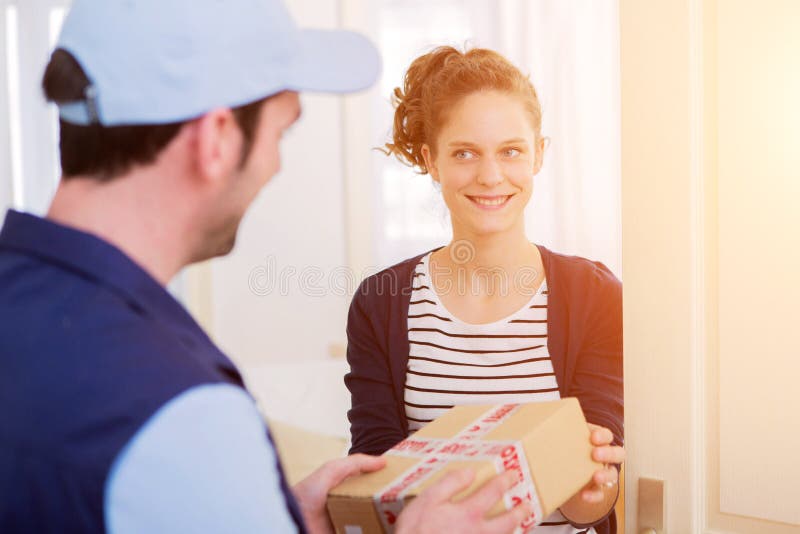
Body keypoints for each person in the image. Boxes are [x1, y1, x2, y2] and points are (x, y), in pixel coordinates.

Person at [0, 3, 533, 533]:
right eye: (281, 133)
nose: (276, 165)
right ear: (216, 142)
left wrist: (274, 516)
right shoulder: (186, 417)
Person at [345, 46, 625, 534]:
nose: (491, 176)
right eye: (465, 153)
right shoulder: (380, 303)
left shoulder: (595, 296)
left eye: (511, 150)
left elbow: (592, 501)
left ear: (540, 153)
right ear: (432, 161)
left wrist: (593, 488)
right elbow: (377, 477)